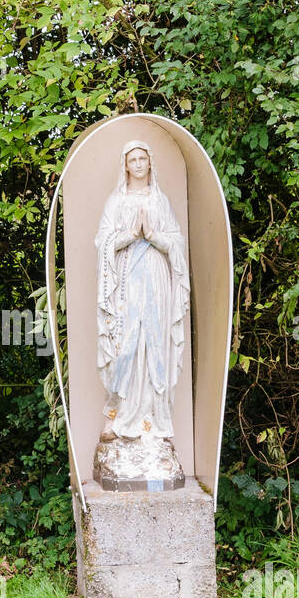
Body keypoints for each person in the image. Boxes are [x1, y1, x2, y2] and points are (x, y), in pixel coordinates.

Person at [95, 139, 190, 443]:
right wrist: (128, 235)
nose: (138, 164)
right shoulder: (116, 201)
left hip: (157, 280)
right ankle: (116, 415)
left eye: (142, 159)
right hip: (126, 281)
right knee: (126, 345)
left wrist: (153, 235)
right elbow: (102, 241)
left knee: (155, 343)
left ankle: (155, 419)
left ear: (150, 162)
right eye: (132, 159)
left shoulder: (160, 201)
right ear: (125, 165)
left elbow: (176, 243)